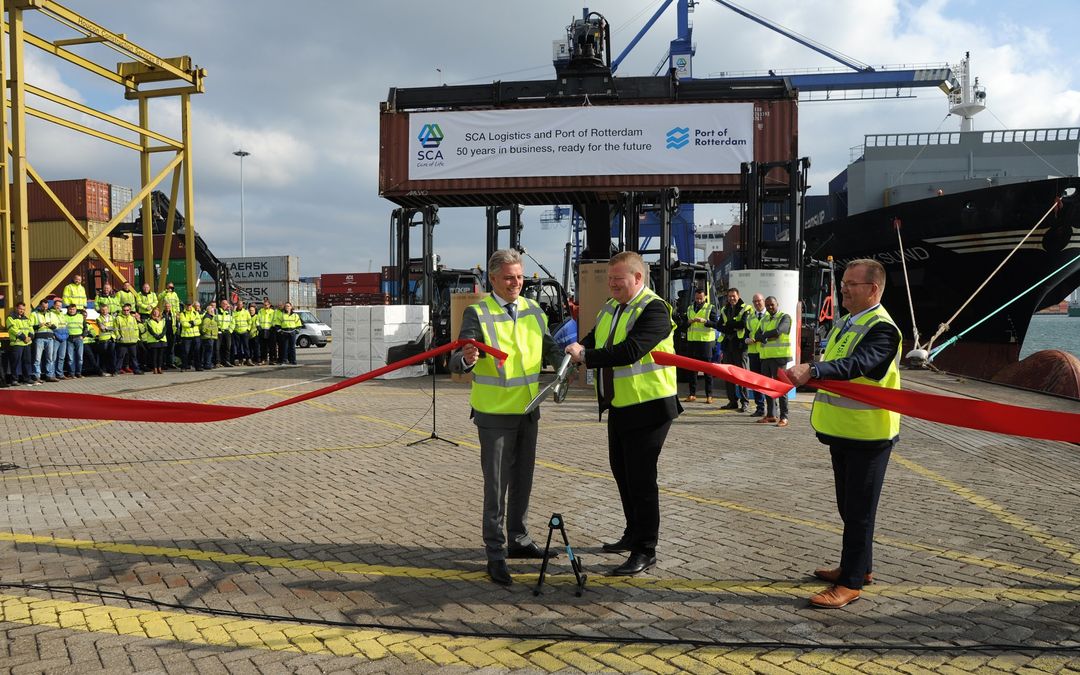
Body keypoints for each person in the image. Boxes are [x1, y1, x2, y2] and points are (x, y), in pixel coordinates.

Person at [785, 259, 901, 609]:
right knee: (849, 507)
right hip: (843, 433)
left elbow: (859, 365)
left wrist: (813, 368)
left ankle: (850, 584)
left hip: (869, 435)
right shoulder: (848, 322)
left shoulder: (882, 329)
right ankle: (859, 567)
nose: (843, 288)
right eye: (843, 282)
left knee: (859, 512)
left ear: (874, 290)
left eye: (852, 283)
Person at [450, 249, 565, 586]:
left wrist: (566, 360)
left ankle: (518, 538)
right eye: (509, 278)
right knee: (496, 487)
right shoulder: (477, 312)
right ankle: (496, 552)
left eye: (519, 277)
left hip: (529, 410)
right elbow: (457, 362)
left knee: (523, 481)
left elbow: (548, 347)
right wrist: (468, 358)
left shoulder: (533, 310)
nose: (516, 283)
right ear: (493, 280)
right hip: (495, 413)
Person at [565, 251, 681, 576]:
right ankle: (633, 534)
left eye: (619, 279)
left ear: (638, 278)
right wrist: (579, 348)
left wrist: (586, 354)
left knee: (642, 479)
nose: (613, 284)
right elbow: (596, 337)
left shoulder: (655, 309)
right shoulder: (611, 307)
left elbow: (630, 351)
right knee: (622, 473)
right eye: (610, 278)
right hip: (620, 405)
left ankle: (646, 548)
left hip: (650, 406)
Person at [754, 296, 792, 427]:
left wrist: (764, 336)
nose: (770, 307)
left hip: (779, 358)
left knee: (781, 388)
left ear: (777, 304)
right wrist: (763, 336)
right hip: (765, 357)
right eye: (768, 305)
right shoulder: (764, 319)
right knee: (767, 387)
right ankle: (771, 415)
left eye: (772, 305)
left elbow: (778, 331)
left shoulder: (784, 317)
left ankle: (784, 416)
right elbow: (756, 335)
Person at [680, 287, 718, 403]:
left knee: (707, 371)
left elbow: (716, 324)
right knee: (692, 370)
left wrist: (705, 321)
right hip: (692, 343)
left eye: (701, 298)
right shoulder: (690, 308)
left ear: (705, 297)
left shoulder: (710, 308)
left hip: (706, 343)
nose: (699, 300)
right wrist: (689, 322)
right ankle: (692, 394)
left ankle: (709, 395)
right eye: (697, 298)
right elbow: (683, 326)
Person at [718, 287, 751, 411]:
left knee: (742, 376)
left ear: (738, 296)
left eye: (734, 296)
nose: (731, 298)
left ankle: (745, 402)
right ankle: (732, 402)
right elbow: (719, 326)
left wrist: (728, 325)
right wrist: (731, 326)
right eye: (729, 296)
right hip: (728, 346)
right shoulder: (724, 309)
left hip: (740, 347)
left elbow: (743, 324)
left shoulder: (745, 308)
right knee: (728, 375)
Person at [743, 293, 768, 417]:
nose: (757, 303)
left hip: (767, 353)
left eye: (759, 301)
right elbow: (746, 333)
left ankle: (773, 408)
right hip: (753, 353)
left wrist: (757, 339)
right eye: (755, 301)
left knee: (768, 381)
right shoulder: (750, 317)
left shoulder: (770, 316)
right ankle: (760, 408)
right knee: (756, 382)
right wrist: (746, 339)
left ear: (763, 301)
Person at [31, 299, 59, 384]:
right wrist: (38, 326)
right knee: (37, 358)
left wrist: (50, 326)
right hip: (39, 338)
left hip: (50, 338)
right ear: (39, 305)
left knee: (50, 358)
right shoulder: (34, 314)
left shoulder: (51, 314)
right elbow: (30, 326)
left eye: (46, 306)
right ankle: (37, 377)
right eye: (43, 306)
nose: (45, 308)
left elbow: (56, 326)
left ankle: (49, 376)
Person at [6, 302, 34, 385]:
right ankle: (14, 380)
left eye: (23, 309)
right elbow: (13, 330)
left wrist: (30, 337)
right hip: (17, 344)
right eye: (20, 309)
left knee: (27, 362)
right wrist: (24, 337)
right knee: (15, 362)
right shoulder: (10, 318)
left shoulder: (26, 318)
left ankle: (27, 379)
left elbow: (31, 328)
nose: (22, 311)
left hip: (26, 344)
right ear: (16, 308)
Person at [114, 304, 143, 374]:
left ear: (129, 310)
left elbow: (136, 329)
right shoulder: (118, 318)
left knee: (134, 357)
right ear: (122, 310)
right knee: (120, 357)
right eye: (124, 310)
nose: (126, 311)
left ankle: (136, 370)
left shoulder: (132, 318)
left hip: (132, 341)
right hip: (123, 341)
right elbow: (115, 329)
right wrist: (119, 337)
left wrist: (136, 338)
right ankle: (117, 370)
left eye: (127, 310)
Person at [61, 303, 86, 378]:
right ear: (68, 309)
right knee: (70, 358)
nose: (72, 311)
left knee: (80, 357)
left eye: (73, 309)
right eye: (70, 309)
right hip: (69, 339)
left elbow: (85, 327)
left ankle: (78, 373)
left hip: (79, 338)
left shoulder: (80, 316)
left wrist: (83, 336)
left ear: (76, 310)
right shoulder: (64, 317)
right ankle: (72, 374)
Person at [178, 301, 202, 371]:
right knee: (185, 352)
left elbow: (199, 321)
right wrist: (193, 324)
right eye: (187, 306)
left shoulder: (195, 313)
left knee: (197, 352)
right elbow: (183, 323)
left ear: (192, 306)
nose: (189, 307)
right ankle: (184, 366)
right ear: (185, 306)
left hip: (196, 335)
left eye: (190, 305)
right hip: (186, 336)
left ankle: (198, 367)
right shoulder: (182, 313)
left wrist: (192, 323)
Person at [143, 308, 167, 374]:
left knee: (160, 355)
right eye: (154, 312)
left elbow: (165, 329)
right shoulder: (149, 320)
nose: (156, 313)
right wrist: (156, 336)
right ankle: (155, 368)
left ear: (159, 312)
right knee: (154, 356)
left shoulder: (163, 320)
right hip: (153, 340)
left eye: (157, 312)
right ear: (152, 313)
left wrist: (161, 335)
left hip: (162, 339)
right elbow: (150, 330)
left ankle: (159, 368)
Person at [95, 304, 116, 377]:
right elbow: (102, 328)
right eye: (103, 310)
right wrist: (110, 328)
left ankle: (113, 371)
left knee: (112, 356)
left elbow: (115, 327)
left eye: (106, 309)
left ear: (108, 310)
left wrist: (107, 327)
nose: (104, 311)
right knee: (103, 356)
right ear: (100, 310)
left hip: (111, 338)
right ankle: (103, 371)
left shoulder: (112, 317)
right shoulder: (98, 319)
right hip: (103, 340)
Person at [256, 299, 277, 365]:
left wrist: (272, 326)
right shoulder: (260, 311)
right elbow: (257, 320)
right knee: (263, 347)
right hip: (262, 330)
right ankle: (263, 359)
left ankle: (271, 360)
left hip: (270, 330)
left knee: (271, 347)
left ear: (269, 305)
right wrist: (258, 326)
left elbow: (274, 320)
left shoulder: (273, 312)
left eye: (267, 305)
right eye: (264, 305)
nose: (265, 306)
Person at [232, 299, 252, 365]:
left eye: (241, 304)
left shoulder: (246, 312)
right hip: (237, 332)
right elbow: (232, 321)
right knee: (238, 347)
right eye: (238, 304)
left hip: (244, 332)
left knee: (246, 347)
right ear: (237, 305)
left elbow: (250, 321)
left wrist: (248, 329)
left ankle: (248, 360)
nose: (239, 305)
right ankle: (240, 360)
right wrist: (234, 330)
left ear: (242, 305)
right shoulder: (234, 313)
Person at [215, 299, 235, 366]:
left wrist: (230, 330)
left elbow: (233, 322)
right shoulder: (216, 311)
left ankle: (226, 361)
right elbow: (213, 321)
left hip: (227, 331)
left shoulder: (230, 312)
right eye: (223, 303)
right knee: (218, 347)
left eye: (226, 304)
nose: (224, 305)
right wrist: (216, 329)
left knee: (227, 347)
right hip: (219, 331)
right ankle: (218, 362)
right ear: (220, 304)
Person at [200, 304, 219, 371]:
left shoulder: (211, 317)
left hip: (212, 336)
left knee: (209, 351)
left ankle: (208, 363)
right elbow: (204, 327)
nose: (213, 311)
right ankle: (207, 364)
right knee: (208, 351)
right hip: (208, 337)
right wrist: (205, 332)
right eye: (212, 310)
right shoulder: (207, 317)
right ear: (209, 311)